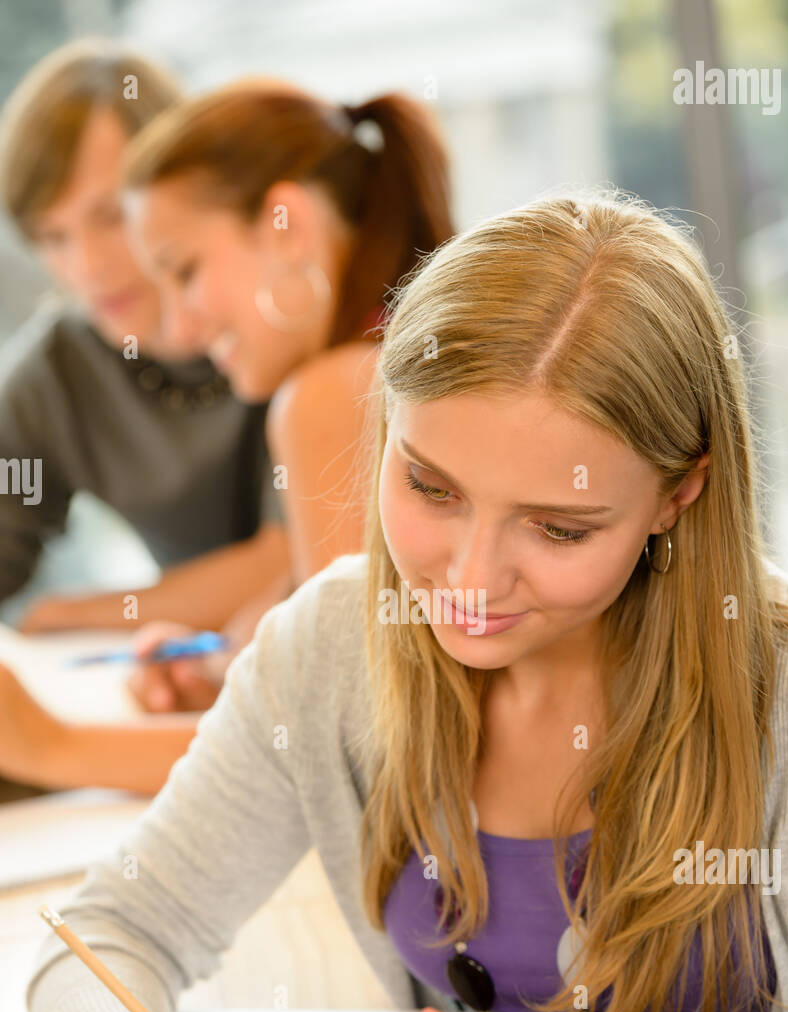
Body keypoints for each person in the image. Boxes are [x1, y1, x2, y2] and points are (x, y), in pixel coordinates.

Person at [25, 191, 788, 1012]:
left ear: (678, 494)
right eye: (429, 485)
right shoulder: (329, 647)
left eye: (559, 528)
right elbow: (101, 940)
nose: (468, 584)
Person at [0, 74, 455, 793]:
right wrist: (230, 671)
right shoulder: (400, 357)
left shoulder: (330, 395)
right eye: (53, 237)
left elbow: (345, 752)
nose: (175, 327)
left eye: (183, 271)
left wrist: (52, 747)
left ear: (286, 225)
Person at [0, 39, 287, 633]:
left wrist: (67, 614)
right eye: (53, 238)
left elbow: (304, 559)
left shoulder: (287, 323)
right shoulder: (54, 373)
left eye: (110, 217)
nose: (88, 267)